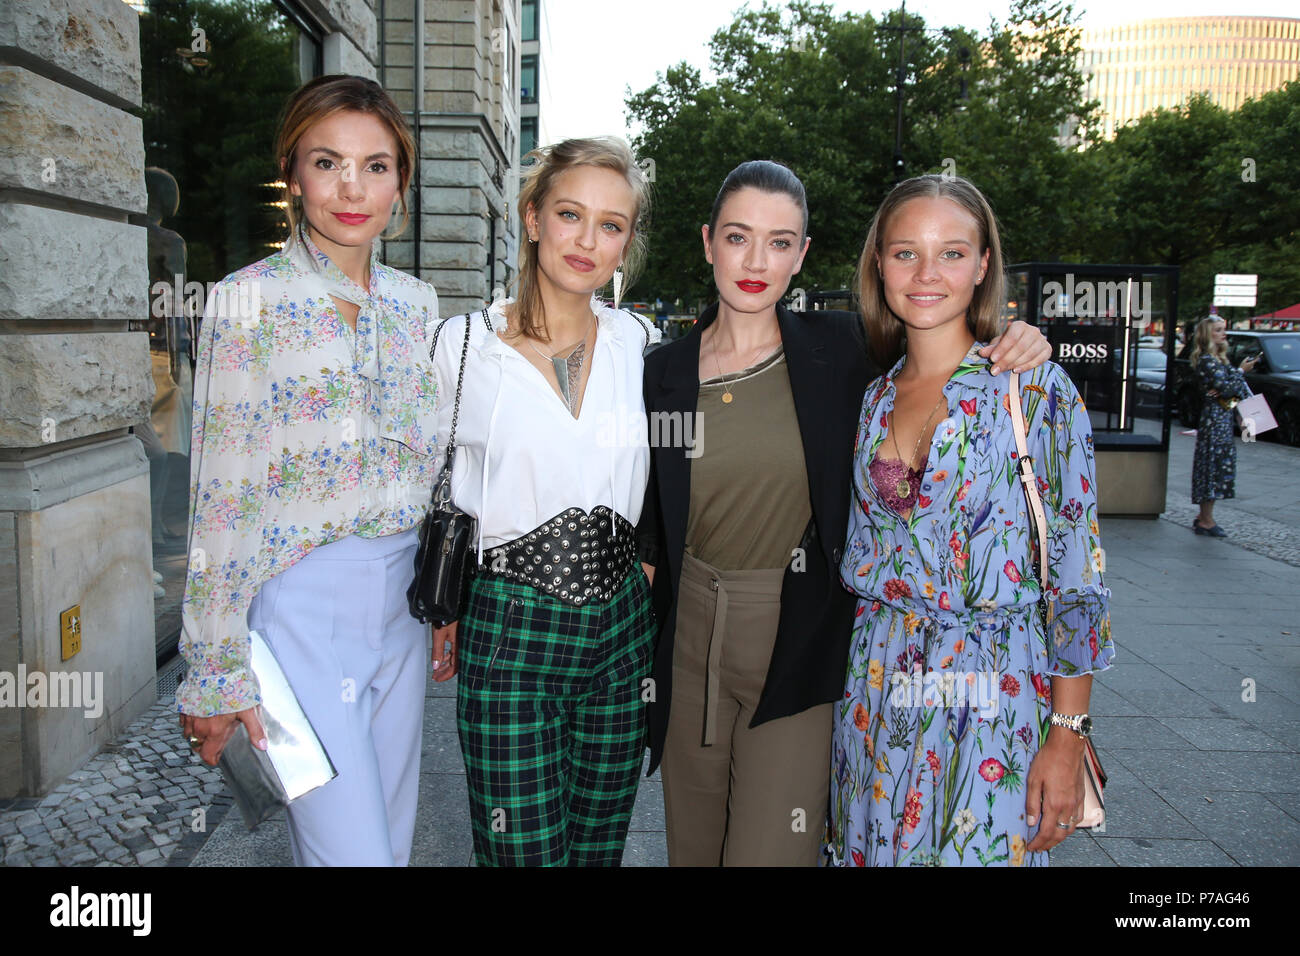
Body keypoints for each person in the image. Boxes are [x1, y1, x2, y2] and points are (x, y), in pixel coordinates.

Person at [636, 161, 1052, 866]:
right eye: (738, 237)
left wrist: (1021, 340)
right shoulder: (660, 373)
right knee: (693, 851)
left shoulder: (845, 350)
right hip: (687, 642)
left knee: (772, 851)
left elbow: (939, 349)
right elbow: (651, 523)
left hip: (799, 634)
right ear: (708, 242)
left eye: (779, 242)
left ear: (801, 254)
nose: (756, 262)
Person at [176, 75, 447, 866]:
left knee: (390, 842)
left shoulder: (417, 304)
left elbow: (431, 462)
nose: (352, 188)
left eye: (376, 166)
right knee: (352, 856)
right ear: (292, 175)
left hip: (403, 605)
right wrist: (215, 669)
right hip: (300, 607)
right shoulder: (245, 301)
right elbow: (221, 497)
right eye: (327, 163)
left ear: (400, 182)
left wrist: (443, 594)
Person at [825, 174, 1114, 867]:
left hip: (994, 695)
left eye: (952, 253)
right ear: (879, 264)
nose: (927, 274)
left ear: (983, 265)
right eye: (905, 253)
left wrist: (1067, 736)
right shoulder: (871, 397)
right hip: (874, 689)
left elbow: (1078, 578)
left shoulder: (1034, 390)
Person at [432, 137, 659, 866]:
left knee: (599, 851)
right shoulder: (461, 346)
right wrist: (441, 608)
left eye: (611, 224)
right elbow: (420, 481)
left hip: (623, 632)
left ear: (625, 243)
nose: (588, 240)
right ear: (532, 219)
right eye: (570, 214)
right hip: (511, 628)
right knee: (521, 855)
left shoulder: (642, 343)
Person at [1190, 316, 1257, 537]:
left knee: (1218, 468)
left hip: (1223, 419)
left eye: (1223, 329)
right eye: (1218, 330)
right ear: (1207, 334)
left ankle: (1205, 516)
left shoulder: (1220, 360)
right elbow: (1228, 388)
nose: (1223, 334)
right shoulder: (1206, 361)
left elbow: (1230, 393)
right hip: (1213, 422)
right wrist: (1240, 372)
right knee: (1210, 467)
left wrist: (1227, 389)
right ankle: (1206, 520)